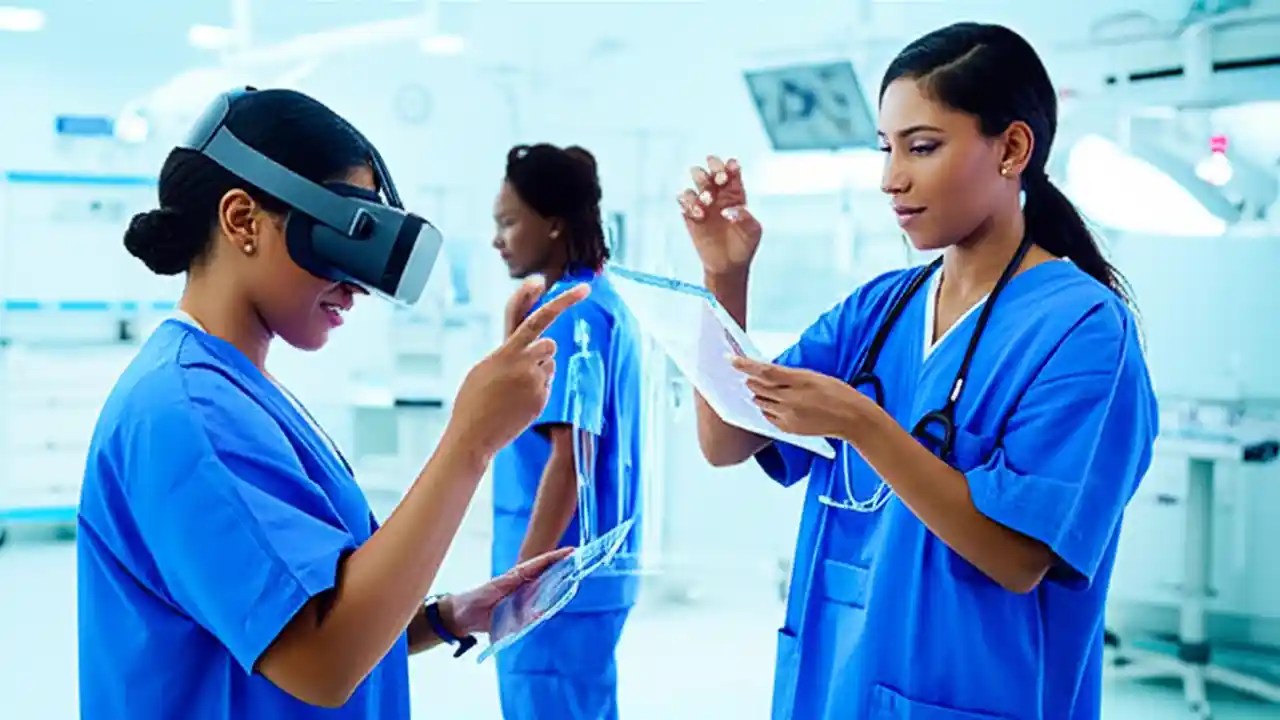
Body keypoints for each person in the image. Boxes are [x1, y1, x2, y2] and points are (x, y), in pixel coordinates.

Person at [678, 22, 1159, 720]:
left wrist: (864, 426)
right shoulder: (882, 308)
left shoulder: (1084, 331)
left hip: (978, 696)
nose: (890, 178)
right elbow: (727, 439)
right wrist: (724, 277)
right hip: (836, 680)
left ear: (1012, 148)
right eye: (886, 149)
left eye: (922, 147)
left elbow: (1019, 556)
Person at [76, 88, 589, 720]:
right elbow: (319, 661)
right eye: (341, 242)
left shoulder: (236, 391)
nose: (357, 287)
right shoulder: (185, 413)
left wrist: (443, 617)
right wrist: (471, 441)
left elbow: (314, 607)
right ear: (242, 220)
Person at [489, 143, 643, 719]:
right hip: (585, 578)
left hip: (553, 581)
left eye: (508, 221)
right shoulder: (600, 301)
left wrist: (516, 585)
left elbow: (569, 458)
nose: (498, 239)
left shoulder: (571, 311)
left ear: (552, 224)